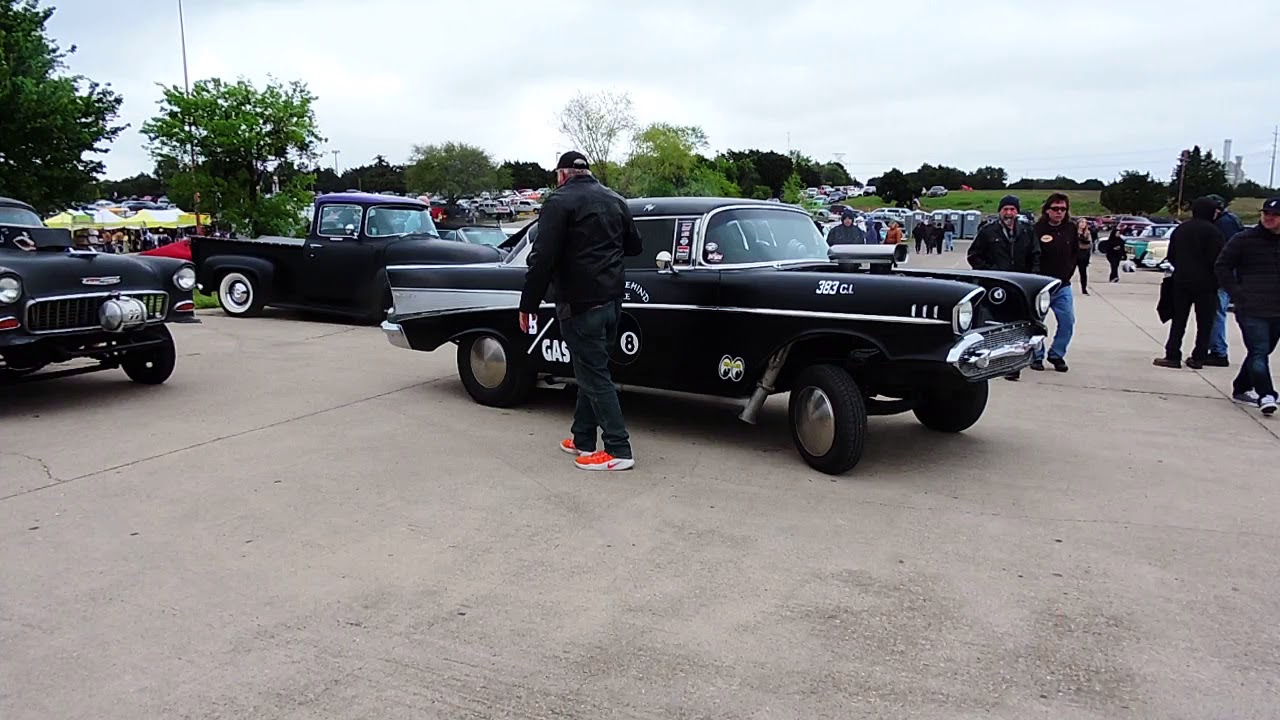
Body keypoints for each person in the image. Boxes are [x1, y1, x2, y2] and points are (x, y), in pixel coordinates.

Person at [518, 151, 643, 470]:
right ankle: (582, 438)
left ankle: (618, 449)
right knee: (591, 369)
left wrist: (528, 304)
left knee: (594, 374)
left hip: (579, 302)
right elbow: (635, 246)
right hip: (613, 300)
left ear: (561, 174)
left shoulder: (559, 202)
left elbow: (542, 258)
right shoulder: (615, 199)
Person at [1214, 196, 1280, 416]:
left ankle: (1241, 386)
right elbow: (1222, 266)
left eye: (1275, 215)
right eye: (1266, 214)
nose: (1269, 218)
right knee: (1259, 351)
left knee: (1261, 351)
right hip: (1251, 307)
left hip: (1276, 309)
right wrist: (1237, 294)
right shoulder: (1243, 239)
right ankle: (1266, 394)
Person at [968, 194, 1041, 380]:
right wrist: (990, 272)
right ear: (1000, 211)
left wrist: (1032, 276)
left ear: (1017, 211)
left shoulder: (1027, 231)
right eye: (1005, 209)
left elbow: (1036, 254)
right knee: (994, 323)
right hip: (995, 285)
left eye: (1012, 209)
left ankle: (1013, 365)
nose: (1009, 213)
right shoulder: (988, 231)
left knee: (1018, 324)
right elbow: (974, 256)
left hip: (1020, 285)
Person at [1153, 196, 1225, 370]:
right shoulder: (1215, 232)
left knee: (1178, 320)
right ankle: (1198, 357)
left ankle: (1172, 355)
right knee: (1205, 322)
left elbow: (1171, 255)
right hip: (1207, 284)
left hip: (1182, 281)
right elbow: (1220, 259)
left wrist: (1183, 268)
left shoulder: (1181, 229)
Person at [1028, 193, 1079, 372]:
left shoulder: (1071, 229)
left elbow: (1077, 252)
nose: (1059, 212)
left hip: (1062, 285)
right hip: (1040, 286)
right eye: (1055, 209)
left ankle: (1057, 354)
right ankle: (1036, 356)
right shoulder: (1036, 230)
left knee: (1067, 321)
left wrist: (1070, 271)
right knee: (1036, 323)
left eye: (1063, 209)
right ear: (1047, 210)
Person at [1207, 195, 1246, 367]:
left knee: (1216, 313)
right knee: (1217, 312)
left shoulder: (1224, 224)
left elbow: (1226, 253)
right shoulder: (1231, 221)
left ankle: (1218, 351)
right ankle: (1216, 349)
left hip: (1224, 277)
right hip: (1231, 276)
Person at [1074, 217, 1093, 295]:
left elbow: (1089, 244)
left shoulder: (1087, 233)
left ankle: (1084, 288)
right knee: (1068, 271)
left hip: (1084, 254)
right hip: (1074, 254)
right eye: (1081, 222)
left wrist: (1082, 240)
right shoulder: (1074, 232)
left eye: (1084, 223)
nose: (1083, 224)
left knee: (1083, 272)